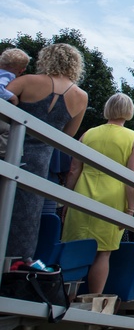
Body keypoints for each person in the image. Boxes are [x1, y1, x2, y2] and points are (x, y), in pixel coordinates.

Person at [3, 43, 88, 259]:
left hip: (8, 152)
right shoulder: (80, 97)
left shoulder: (26, 81)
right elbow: (66, 137)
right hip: (40, 163)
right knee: (25, 221)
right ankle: (15, 273)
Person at [62, 93, 134, 294]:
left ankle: (67, 297)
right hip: (113, 197)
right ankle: (94, 300)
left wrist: (65, 199)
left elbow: (74, 170)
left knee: (75, 249)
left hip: (82, 192)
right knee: (103, 253)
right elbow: (131, 177)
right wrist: (131, 208)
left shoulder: (88, 134)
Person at [0, 48, 30, 159]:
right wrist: (12, 97)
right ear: (21, 70)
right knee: (9, 130)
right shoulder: (7, 75)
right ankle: (5, 156)